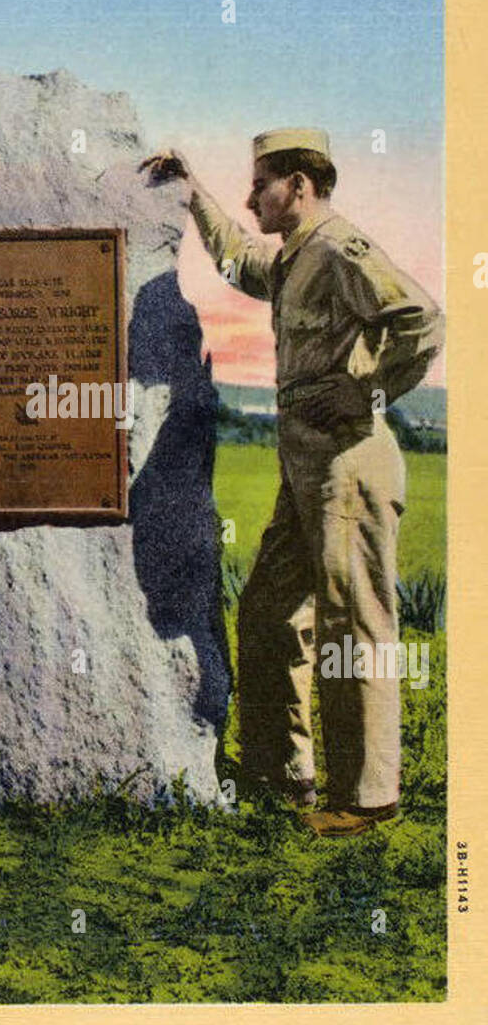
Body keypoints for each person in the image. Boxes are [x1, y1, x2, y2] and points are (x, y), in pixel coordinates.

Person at [141, 129, 444, 837]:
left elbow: (420, 319)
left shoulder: (340, 249)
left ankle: (366, 797)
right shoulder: (293, 256)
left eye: (260, 185)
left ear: (299, 185)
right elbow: (240, 263)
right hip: (304, 471)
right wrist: (192, 194)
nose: (251, 198)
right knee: (269, 612)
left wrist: (368, 392)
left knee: (352, 625)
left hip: (348, 467)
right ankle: (284, 774)